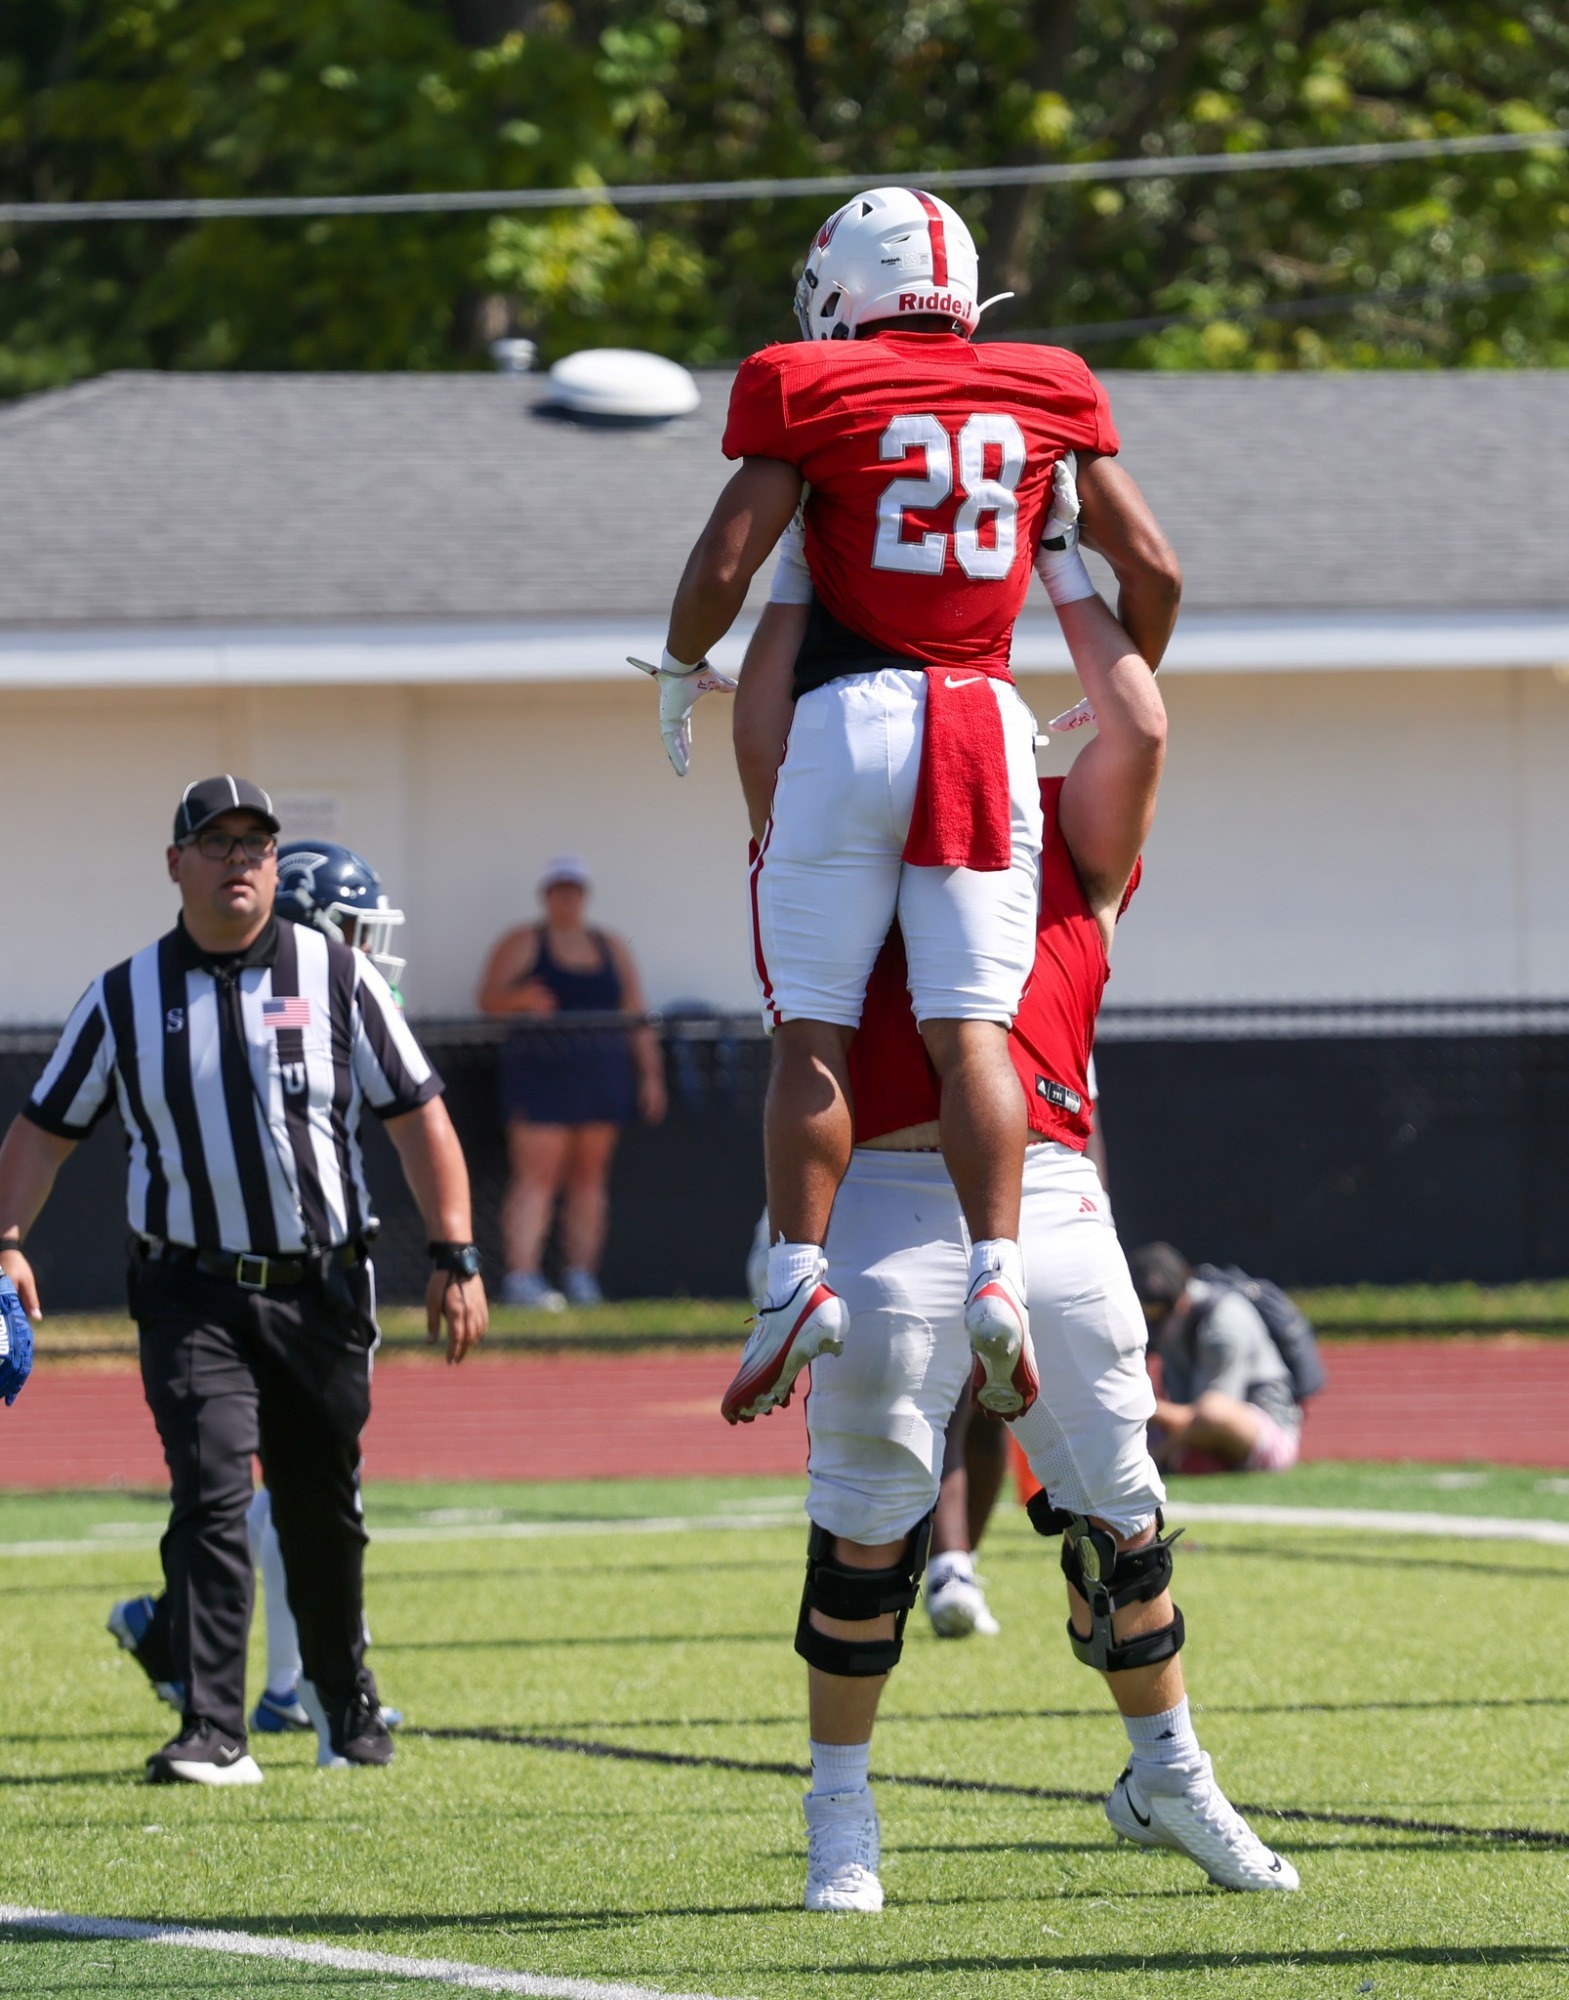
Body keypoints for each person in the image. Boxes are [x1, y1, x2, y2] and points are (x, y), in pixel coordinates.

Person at [732, 528, 1295, 1909]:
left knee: (1124, 1517)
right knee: (867, 1530)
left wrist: (1050, 563)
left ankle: (1166, 1772)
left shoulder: (1052, 851)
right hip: (877, 1192)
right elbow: (762, 722)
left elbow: (1138, 719)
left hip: (1045, 1194)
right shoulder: (818, 850)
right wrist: (801, 567)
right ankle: (840, 1818)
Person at [642, 185, 1180, 1430]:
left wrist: (680, 662)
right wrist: (1114, 670)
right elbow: (1153, 567)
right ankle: (1000, 1272)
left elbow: (726, 562)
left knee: (810, 1035)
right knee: (974, 1032)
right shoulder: (1047, 383)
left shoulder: (804, 381)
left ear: (846, 288)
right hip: (985, 719)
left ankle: (793, 1279)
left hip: (851, 719)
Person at [0, 775, 488, 1786]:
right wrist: (5, 1238)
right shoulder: (126, 991)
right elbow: (41, 1135)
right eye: (215, 843)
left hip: (320, 1285)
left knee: (321, 1505)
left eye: (254, 844)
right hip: (189, 1288)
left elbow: (420, 1114)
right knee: (213, 1490)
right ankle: (213, 1728)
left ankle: (342, 1704)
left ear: (275, 863)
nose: (237, 860)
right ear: (174, 862)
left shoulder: (339, 973)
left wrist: (456, 1251)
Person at [107, 838, 415, 1744]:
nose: (370, 950)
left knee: (286, 1487)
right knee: (291, 1486)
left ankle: (187, 1639)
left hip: (320, 1265)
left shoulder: (331, 1001)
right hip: (250, 1276)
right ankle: (289, 1686)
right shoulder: (239, 1004)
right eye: (352, 929)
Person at [477, 856, 666, 1308]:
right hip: (541, 1078)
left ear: (584, 895)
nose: (567, 897)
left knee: (589, 1176)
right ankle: (522, 1280)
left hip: (602, 1077)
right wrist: (522, 998)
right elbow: (488, 999)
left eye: (574, 889)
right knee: (537, 1174)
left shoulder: (610, 945)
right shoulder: (523, 941)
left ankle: (582, 1278)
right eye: (559, 889)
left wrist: (651, 1075)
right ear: (546, 895)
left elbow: (636, 1011)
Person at [1129, 1243, 1305, 1474]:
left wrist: (1139, 1406)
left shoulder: (1224, 1320)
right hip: (1192, 1430)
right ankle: (1167, 1457)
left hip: (1260, 1433)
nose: (1156, 1323)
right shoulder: (1161, 1319)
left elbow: (1209, 1413)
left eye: (1163, 1312)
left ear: (1183, 1293)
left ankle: (1156, 1459)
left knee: (1213, 1413)